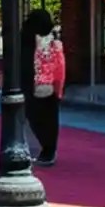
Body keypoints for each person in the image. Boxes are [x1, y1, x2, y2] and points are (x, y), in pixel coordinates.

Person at [24, 9, 66, 167]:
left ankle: (40, 147)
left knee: (33, 117)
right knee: (50, 120)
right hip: (51, 87)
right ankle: (49, 149)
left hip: (32, 85)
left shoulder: (27, 39)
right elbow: (60, 67)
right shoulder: (55, 43)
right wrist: (59, 88)